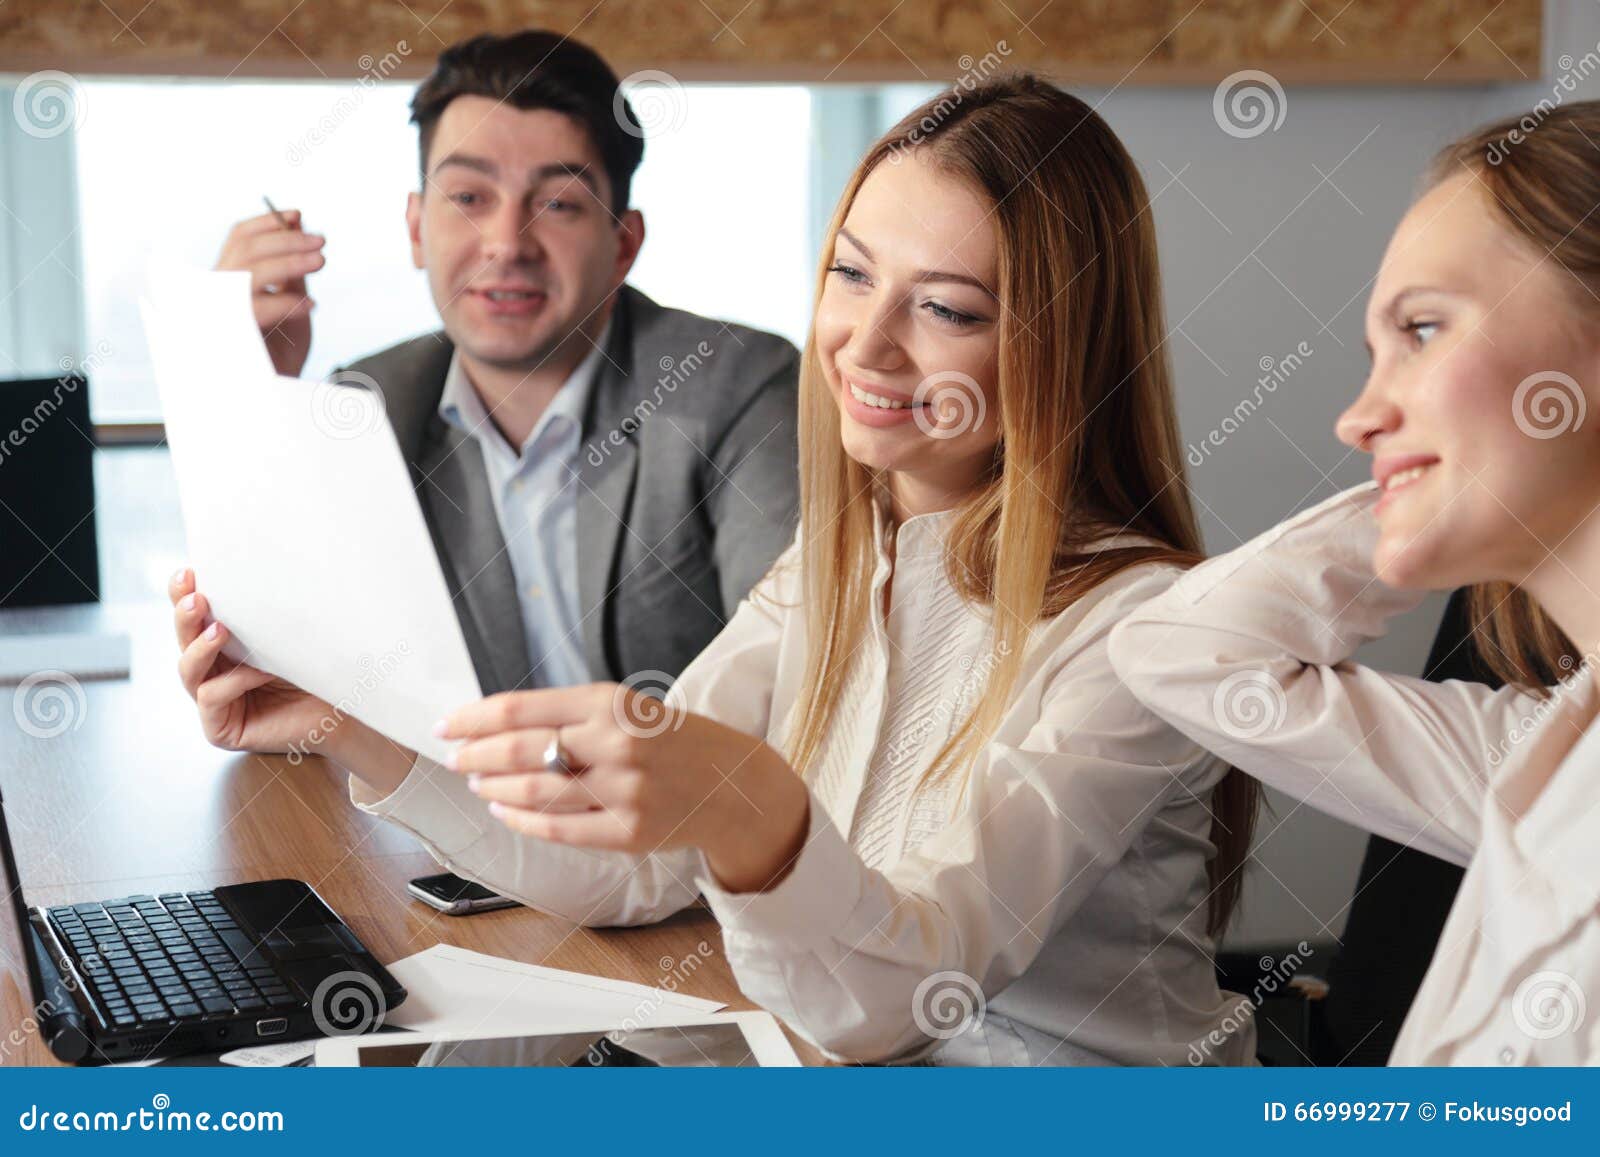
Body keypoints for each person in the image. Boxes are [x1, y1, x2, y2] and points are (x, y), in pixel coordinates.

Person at [174, 74, 1259, 1066]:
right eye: (851, 274)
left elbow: (903, 998)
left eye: (947, 308)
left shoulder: (1139, 629)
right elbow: (629, 866)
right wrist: (343, 721)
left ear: (1060, 343)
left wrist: (750, 808)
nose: (864, 345)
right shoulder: (837, 561)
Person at [1108, 102, 1600, 1065]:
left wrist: (1434, 487)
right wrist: (1418, 493)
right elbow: (1179, 651)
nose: (1357, 415)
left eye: (1423, 328)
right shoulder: (1546, 753)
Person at [207, 29, 799, 704]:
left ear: (624, 244)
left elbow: (793, 671)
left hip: (690, 804)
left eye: (559, 203)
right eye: (468, 197)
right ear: (414, 229)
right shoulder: (366, 409)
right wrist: (255, 395)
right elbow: (294, 673)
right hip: (454, 808)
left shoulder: (737, 385)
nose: (506, 244)